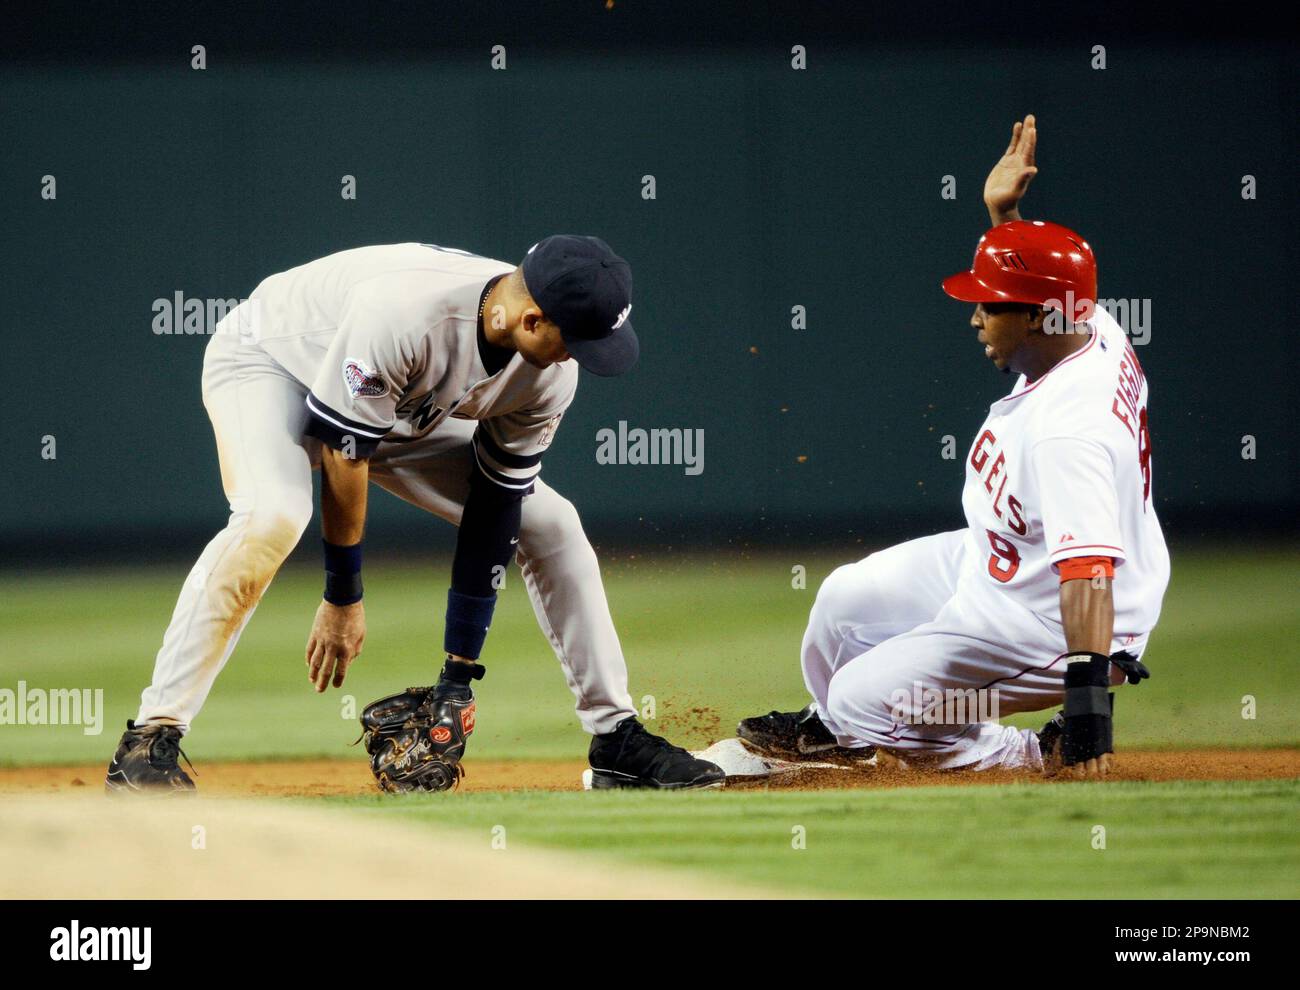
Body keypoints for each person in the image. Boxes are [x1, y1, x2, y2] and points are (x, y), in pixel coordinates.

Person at [105, 236, 724, 794]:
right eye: (577, 341)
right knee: (274, 514)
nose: (581, 358)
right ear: (533, 318)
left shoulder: (547, 375)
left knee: (552, 523)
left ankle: (614, 736)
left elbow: (496, 506)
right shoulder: (406, 314)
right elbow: (346, 455)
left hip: (403, 406)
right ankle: (149, 741)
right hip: (272, 366)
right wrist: (342, 598)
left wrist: (458, 676)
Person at [737, 116, 1169, 779]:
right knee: (843, 599)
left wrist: (1087, 708)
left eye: (989, 305)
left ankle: (1014, 752)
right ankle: (842, 732)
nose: (975, 317)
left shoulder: (1068, 430)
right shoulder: (1090, 325)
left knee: (858, 696)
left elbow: (1087, 575)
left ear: (1038, 317)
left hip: (1053, 620)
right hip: (1008, 557)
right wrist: (1006, 216)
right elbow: (1044, 276)